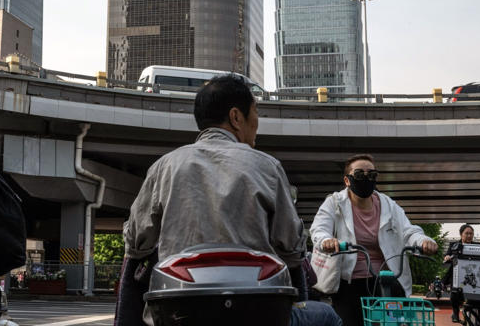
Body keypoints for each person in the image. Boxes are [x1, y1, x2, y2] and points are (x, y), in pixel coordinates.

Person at [116, 74, 340, 326]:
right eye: (256, 113)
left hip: (179, 312)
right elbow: (291, 249)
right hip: (256, 312)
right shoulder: (267, 166)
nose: (257, 122)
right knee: (327, 316)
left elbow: (135, 245)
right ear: (236, 117)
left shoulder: (164, 167)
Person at [311, 154, 438, 326]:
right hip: (350, 281)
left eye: (371, 174)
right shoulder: (334, 203)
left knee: (395, 322)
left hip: (388, 279)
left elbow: (408, 231)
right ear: (347, 180)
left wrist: (422, 240)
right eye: (359, 174)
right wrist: (326, 240)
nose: (366, 178)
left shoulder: (389, 205)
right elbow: (319, 229)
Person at [444, 224, 480, 324]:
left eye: (471, 233)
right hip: (459, 277)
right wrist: (447, 257)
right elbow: (447, 255)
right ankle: (455, 313)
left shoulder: (478, 245)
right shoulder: (454, 245)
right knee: (455, 294)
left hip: (474, 276)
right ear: (461, 234)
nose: (469, 236)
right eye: (466, 233)